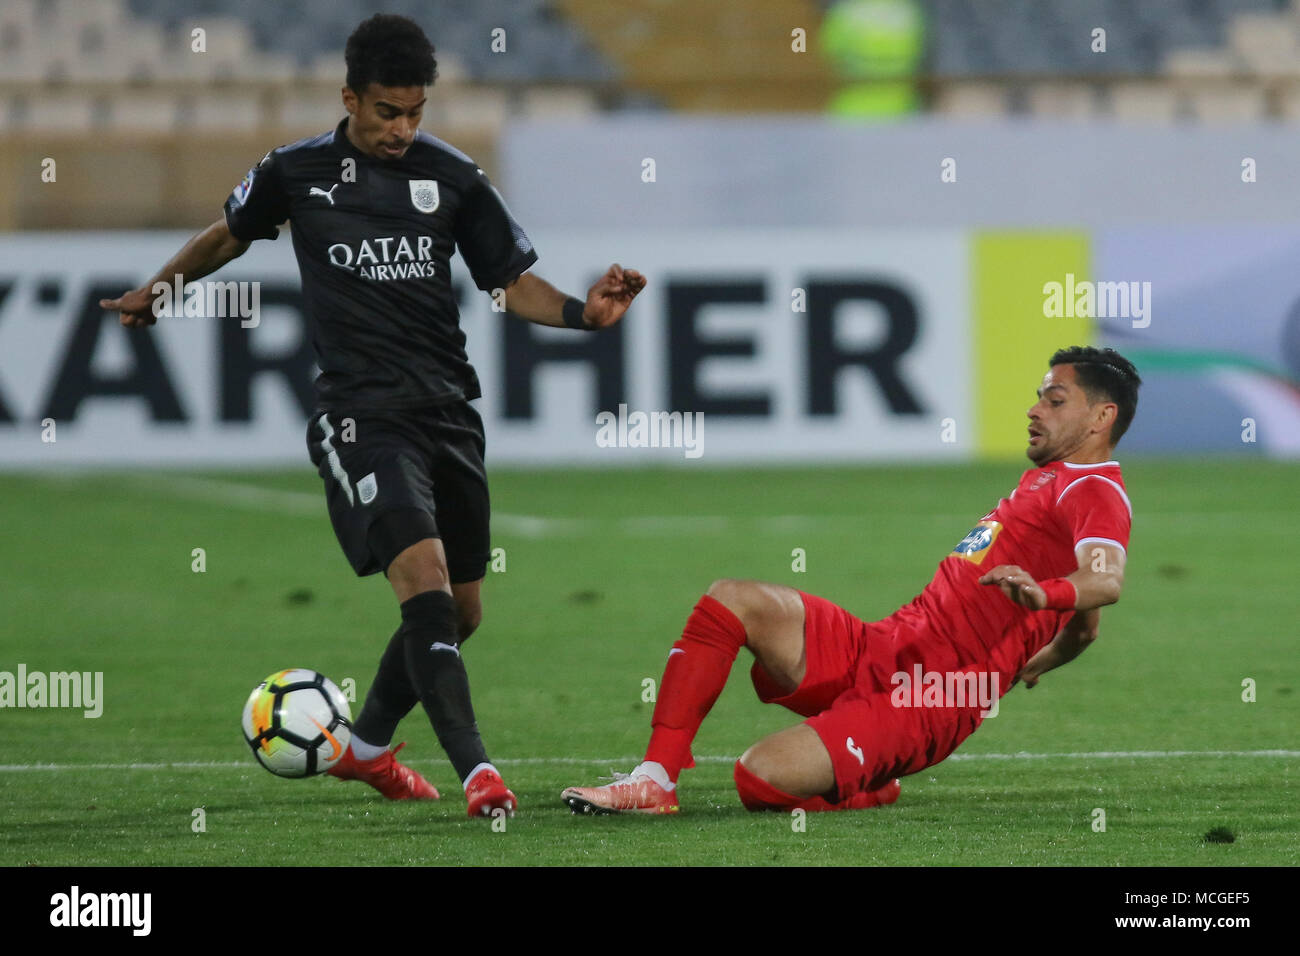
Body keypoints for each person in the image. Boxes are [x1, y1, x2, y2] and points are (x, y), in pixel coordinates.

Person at [100, 14, 645, 818]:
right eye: (388, 111)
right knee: (421, 584)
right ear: (349, 96)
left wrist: (583, 314)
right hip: (360, 415)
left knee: (461, 610)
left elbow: (508, 281)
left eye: (416, 112)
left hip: (448, 413)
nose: (402, 129)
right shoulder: (296, 172)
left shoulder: (453, 176)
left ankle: (363, 749)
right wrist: (162, 286)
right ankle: (479, 772)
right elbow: (230, 235)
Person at [562, 346, 1139, 814]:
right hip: (887, 644)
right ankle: (655, 779)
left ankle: (868, 782)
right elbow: (1085, 630)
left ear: (1101, 417)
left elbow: (1104, 581)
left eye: (1055, 399)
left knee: (759, 780)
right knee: (731, 601)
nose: (1036, 408)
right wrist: (1030, 659)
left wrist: (1046, 596)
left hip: (929, 698)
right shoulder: (1048, 480)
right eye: (1039, 395)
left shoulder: (1095, 489)